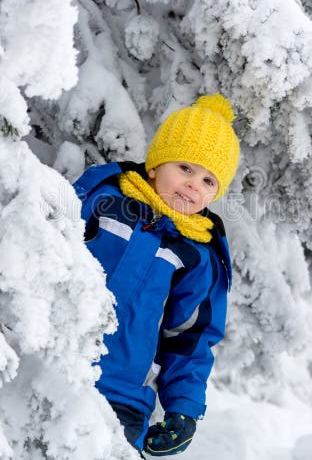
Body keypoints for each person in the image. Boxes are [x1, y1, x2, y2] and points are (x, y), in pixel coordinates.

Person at [73, 93, 240, 456]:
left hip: (123, 398)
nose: (195, 184)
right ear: (155, 165)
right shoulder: (104, 200)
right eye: (186, 168)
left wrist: (184, 410)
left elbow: (190, 338)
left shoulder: (196, 255)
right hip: (56, 362)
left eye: (209, 181)